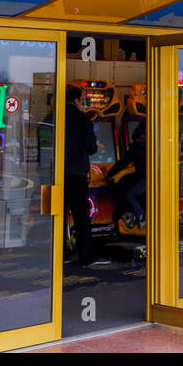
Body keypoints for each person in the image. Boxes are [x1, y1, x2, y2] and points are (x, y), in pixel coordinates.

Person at [63, 85, 109, 266]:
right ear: (77, 99)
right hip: (77, 174)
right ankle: (86, 256)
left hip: (56, 174)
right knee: (81, 216)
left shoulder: (54, 116)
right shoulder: (83, 119)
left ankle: (62, 254)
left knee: (58, 216)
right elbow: (92, 147)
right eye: (82, 99)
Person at [109, 122, 147, 226]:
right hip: (157, 177)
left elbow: (122, 163)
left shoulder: (135, 148)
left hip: (146, 178)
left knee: (129, 194)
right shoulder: (153, 145)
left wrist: (109, 174)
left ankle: (141, 216)